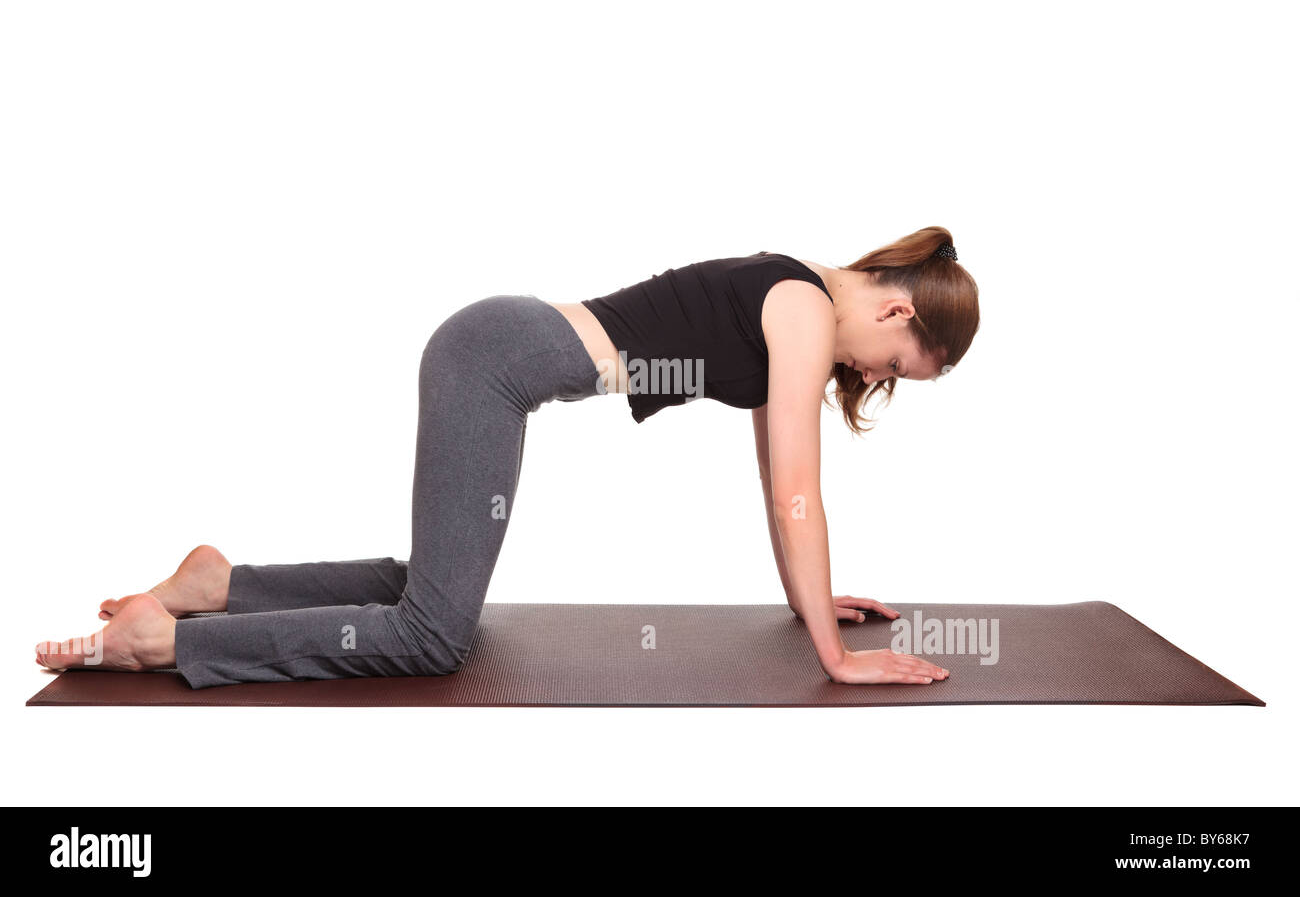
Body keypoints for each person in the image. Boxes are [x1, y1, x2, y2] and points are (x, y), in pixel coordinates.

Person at [35, 226, 979, 688]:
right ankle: (171, 641)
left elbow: (780, 481)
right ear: (898, 310)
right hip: (491, 362)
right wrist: (834, 657)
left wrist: (810, 601)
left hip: (492, 351)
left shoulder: (793, 293)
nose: (873, 374)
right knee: (434, 636)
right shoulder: (808, 310)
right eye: (895, 363)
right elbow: (802, 494)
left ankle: (222, 582)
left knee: (433, 590)